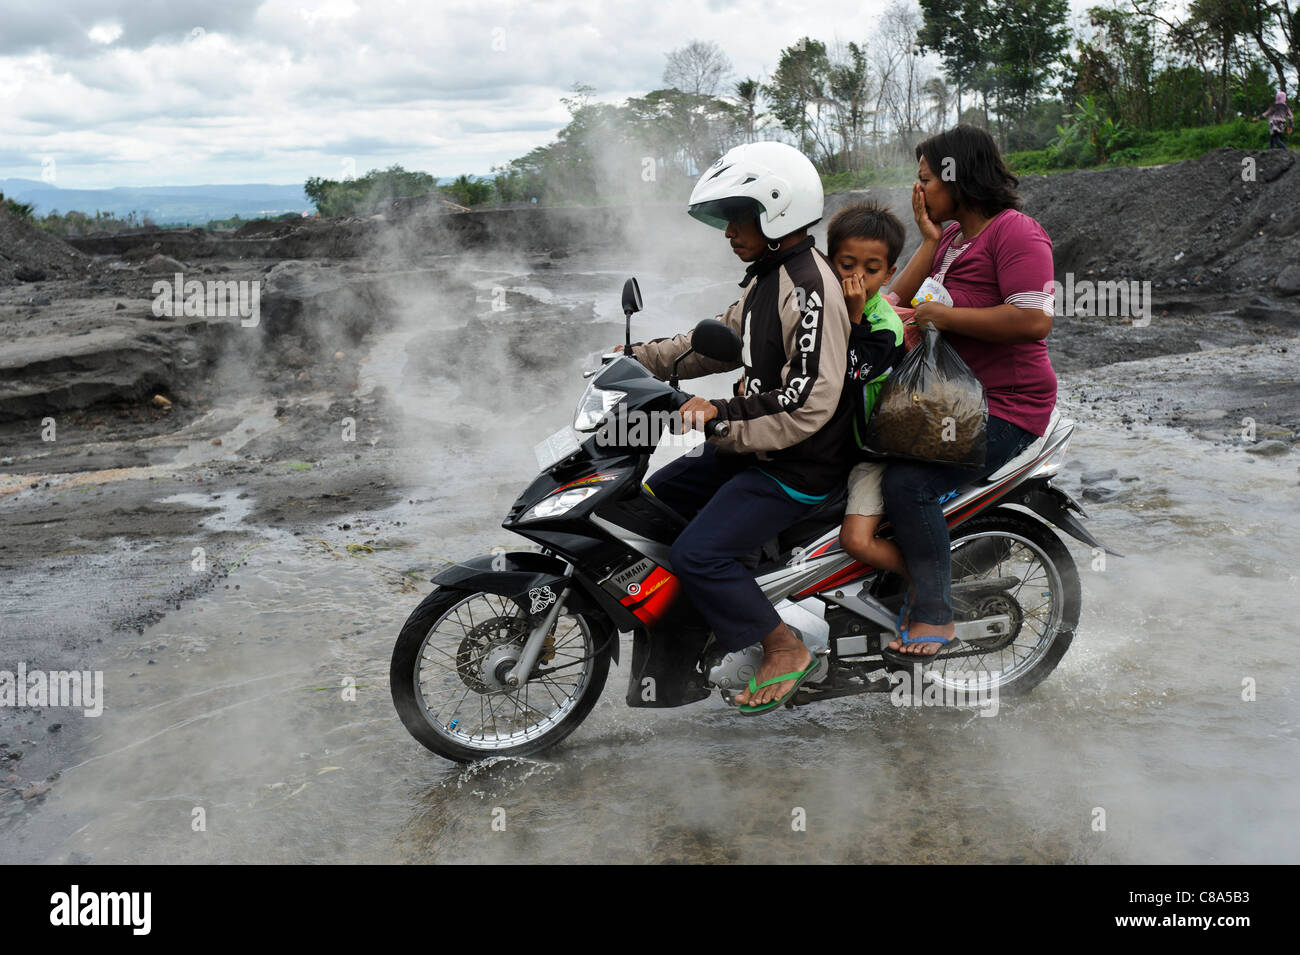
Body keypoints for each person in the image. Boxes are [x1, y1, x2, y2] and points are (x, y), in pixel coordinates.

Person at [620, 141, 852, 714]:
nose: (728, 231)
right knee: (649, 501)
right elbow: (714, 343)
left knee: (700, 552)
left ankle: (782, 645)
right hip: (756, 447)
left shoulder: (810, 288)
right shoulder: (765, 280)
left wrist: (721, 414)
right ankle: (700, 630)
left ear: (777, 208)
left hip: (799, 462)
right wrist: (636, 359)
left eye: (737, 217)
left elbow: (806, 402)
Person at [882, 124, 1058, 660]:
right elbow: (891, 301)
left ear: (960, 177)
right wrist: (929, 240)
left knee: (909, 485)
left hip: (1007, 405)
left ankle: (935, 616)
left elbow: (1033, 321)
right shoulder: (954, 241)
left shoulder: (1016, 232)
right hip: (950, 398)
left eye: (927, 180)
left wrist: (944, 315)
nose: (920, 192)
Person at [827, 201, 909, 584]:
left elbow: (850, 372)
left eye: (871, 270)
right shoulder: (824, 305)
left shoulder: (884, 326)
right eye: (847, 265)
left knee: (856, 540)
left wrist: (855, 315)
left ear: (889, 273)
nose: (857, 277)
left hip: (874, 451)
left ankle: (928, 587)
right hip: (835, 443)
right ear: (828, 262)